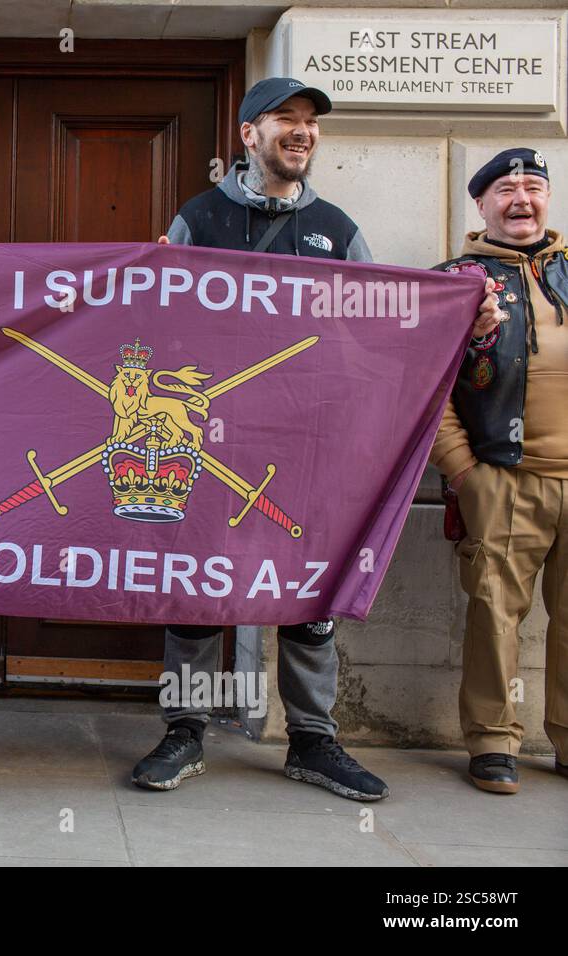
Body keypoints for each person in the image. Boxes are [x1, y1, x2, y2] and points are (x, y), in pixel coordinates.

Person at [131, 77, 499, 801]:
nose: (301, 132)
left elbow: (387, 328)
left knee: (313, 590)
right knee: (193, 593)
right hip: (209, 444)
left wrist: (465, 322)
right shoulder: (196, 218)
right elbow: (157, 322)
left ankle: (313, 739)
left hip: (309, 445)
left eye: (309, 123)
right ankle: (184, 728)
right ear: (248, 135)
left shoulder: (337, 226)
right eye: (284, 120)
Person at [432, 147, 568, 793]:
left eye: (533, 186)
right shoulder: (452, 281)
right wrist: (465, 472)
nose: (522, 199)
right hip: (503, 478)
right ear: (480, 203)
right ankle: (492, 742)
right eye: (506, 188)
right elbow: (424, 389)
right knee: (493, 614)